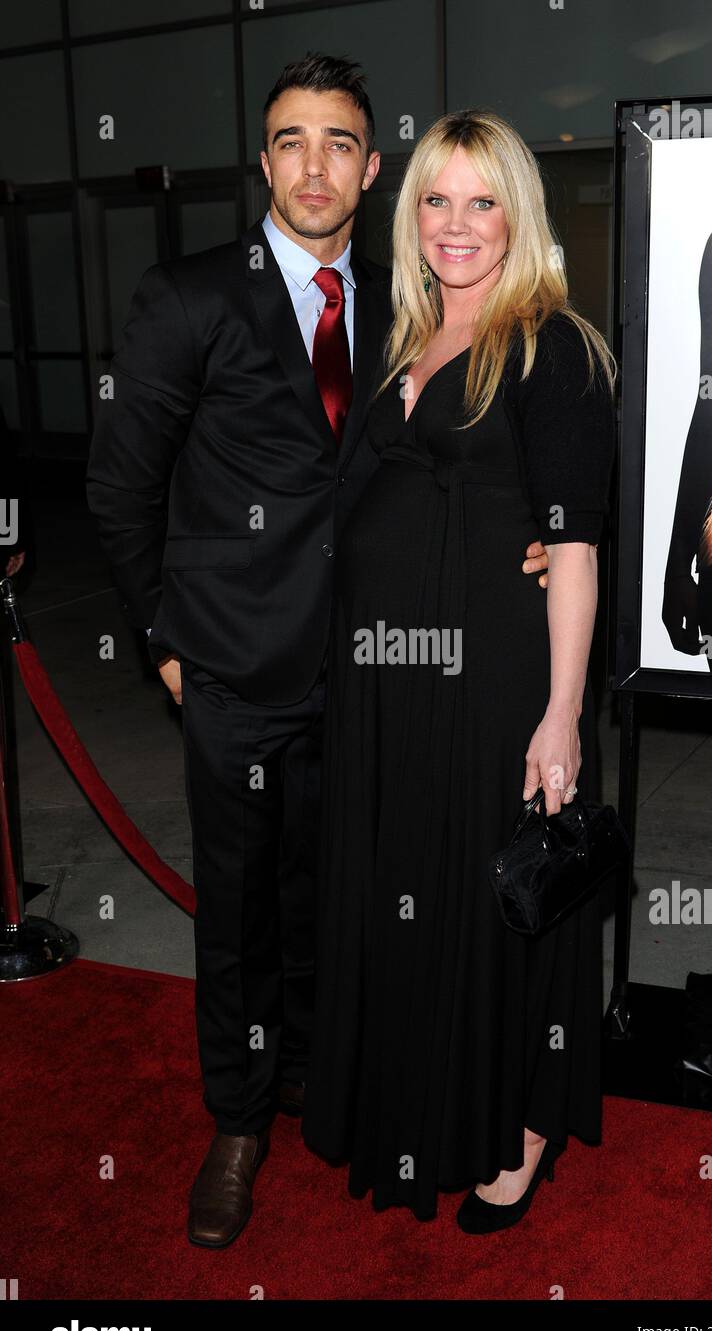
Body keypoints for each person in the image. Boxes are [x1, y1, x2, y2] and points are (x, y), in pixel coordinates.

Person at [86, 57, 550, 1250]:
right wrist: (166, 640)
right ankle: (237, 1121)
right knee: (237, 908)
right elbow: (120, 487)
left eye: (338, 144)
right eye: (290, 141)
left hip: (375, 675)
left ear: (370, 166)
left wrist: (541, 547)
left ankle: (315, 1070)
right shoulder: (189, 297)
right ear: (263, 160)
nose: (313, 167)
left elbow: (478, 451)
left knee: (334, 896)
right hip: (234, 671)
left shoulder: (410, 296)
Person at [301, 108, 617, 1231]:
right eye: (436, 199)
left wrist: (562, 713)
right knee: (413, 900)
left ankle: (521, 1129)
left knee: (495, 905)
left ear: (518, 214)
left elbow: (573, 548)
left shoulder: (552, 345)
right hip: (390, 695)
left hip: (492, 691)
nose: (456, 224)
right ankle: (419, 1102)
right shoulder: (404, 337)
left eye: (483, 201)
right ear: (411, 213)